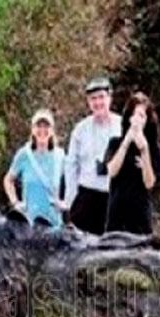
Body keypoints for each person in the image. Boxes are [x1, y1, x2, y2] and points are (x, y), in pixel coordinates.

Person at [63, 76, 122, 234]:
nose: (98, 103)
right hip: (86, 197)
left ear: (109, 98)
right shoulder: (80, 129)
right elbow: (71, 167)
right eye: (93, 99)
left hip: (114, 198)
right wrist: (70, 202)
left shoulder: (121, 126)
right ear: (88, 102)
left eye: (101, 97)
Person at [104, 92, 160, 235]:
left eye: (141, 116)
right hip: (116, 218)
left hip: (140, 218)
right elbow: (111, 171)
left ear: (147, 120)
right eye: (134, 115)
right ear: (129, 117)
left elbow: (149, 183)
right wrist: (126, 142)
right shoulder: (115, 143)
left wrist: (144, 151)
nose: (137, 120)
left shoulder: (155, 149)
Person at [2, 109, 66, 228]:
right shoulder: (24, 155)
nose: (42, 130)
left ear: (52, 131)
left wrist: (66, 203)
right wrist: (15, 202)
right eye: (38, 126)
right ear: (32, 130)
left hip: (53, 223)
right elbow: (8, 180)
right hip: (29, 223)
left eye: (46, 126)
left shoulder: (60, 156)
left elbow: (75, 179)